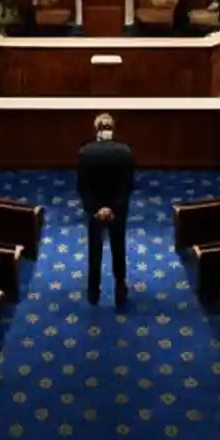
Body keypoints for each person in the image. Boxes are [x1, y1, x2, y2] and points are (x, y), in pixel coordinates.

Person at [77, 113, 134, 306]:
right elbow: (127, 186)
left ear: (96, 129)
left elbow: (83, 187)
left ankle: (93, 291)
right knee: (118, 247)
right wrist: (113, 208)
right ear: (113, 128)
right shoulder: (125, 152)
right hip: (117, 209)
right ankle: (120, 286)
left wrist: (96, 208)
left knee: (95, 249)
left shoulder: (85, 152)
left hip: (95, 210)